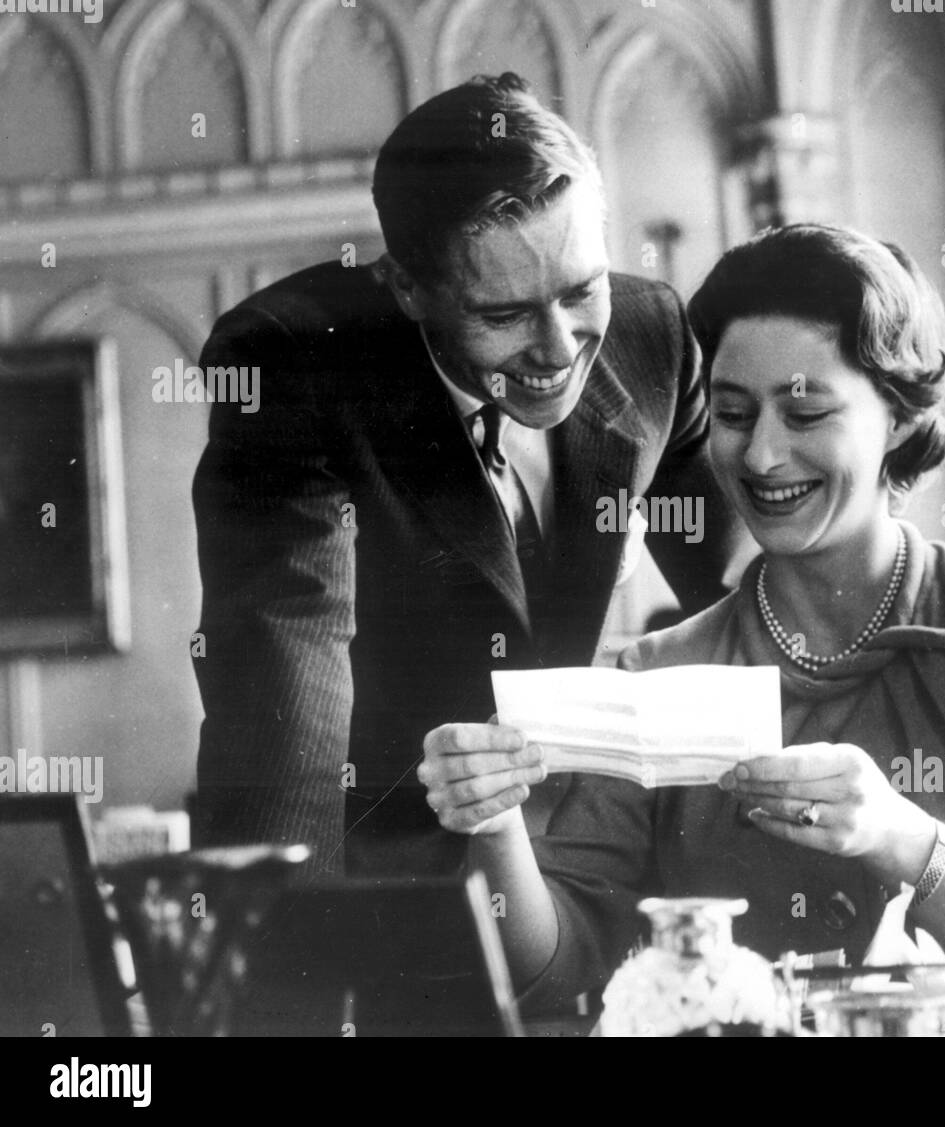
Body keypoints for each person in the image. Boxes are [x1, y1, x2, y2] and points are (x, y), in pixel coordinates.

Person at [419, 223, 945, 1007]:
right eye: (732, 413)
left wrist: (900, 836)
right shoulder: (658, 671)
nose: (759, 456)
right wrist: (494, 826)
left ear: (896, 416)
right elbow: (555, 973)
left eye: (804, 413)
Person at [190, 73, 746, 878]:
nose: (559, 349)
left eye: (581, 290)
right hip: (387, 878)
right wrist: (287, 961)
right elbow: (284, 704)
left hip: (583, 852)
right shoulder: (295, 362)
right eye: (504, 315)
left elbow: (748, 606)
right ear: (407, 286)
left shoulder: (652, 334)